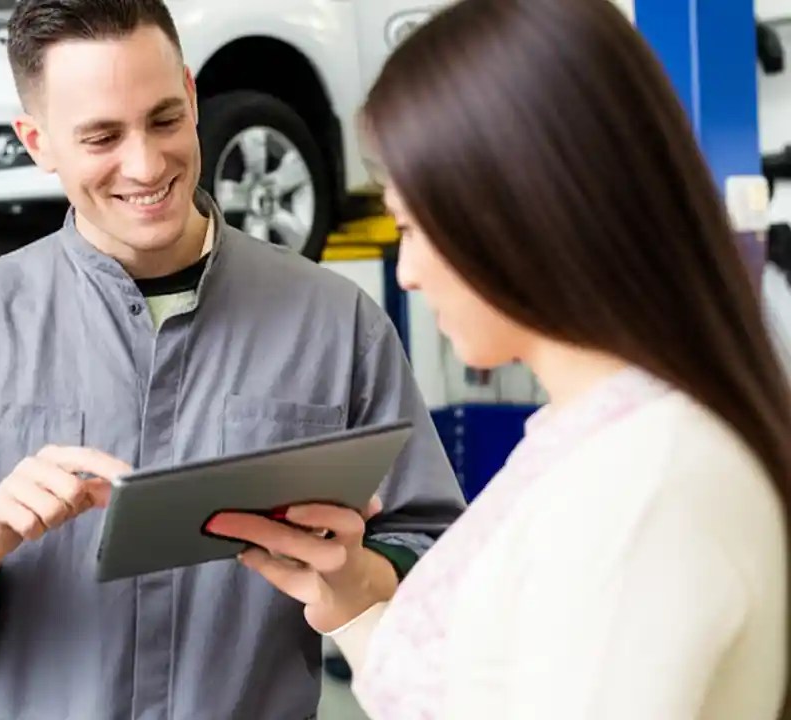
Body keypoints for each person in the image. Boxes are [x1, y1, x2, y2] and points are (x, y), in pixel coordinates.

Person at [0, 0, 466, 717]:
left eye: (165, 119)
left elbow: (435, 555)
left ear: (194, 96)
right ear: (37, 141)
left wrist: (357, 571)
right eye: (102, 136)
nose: (146, 164)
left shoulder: (336, 322)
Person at [207, 0, 791, 717]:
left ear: (516, 208)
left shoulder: (643, 481)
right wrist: (355, 602)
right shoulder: (597, 444)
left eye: (413, 226)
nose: (409, 271)